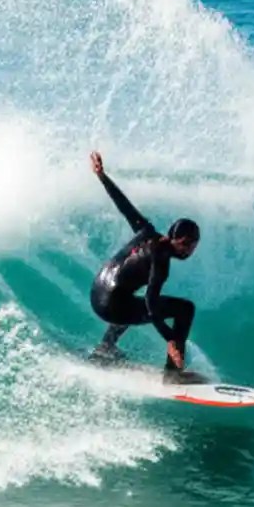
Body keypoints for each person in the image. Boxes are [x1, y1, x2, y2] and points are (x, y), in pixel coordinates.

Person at [87, 151, 205, 384]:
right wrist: (170, 339)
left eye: (192, 246)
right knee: (185, 309)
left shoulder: (146, 231)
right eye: (187, 245)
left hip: (97, 291)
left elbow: (125, 206)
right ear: (178, 240)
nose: (189, 251)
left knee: (128, 299)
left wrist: (102, 176)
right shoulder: (161, 260)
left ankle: (105, 347)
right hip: (110, 306)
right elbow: (151, 304)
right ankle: (173, 374)